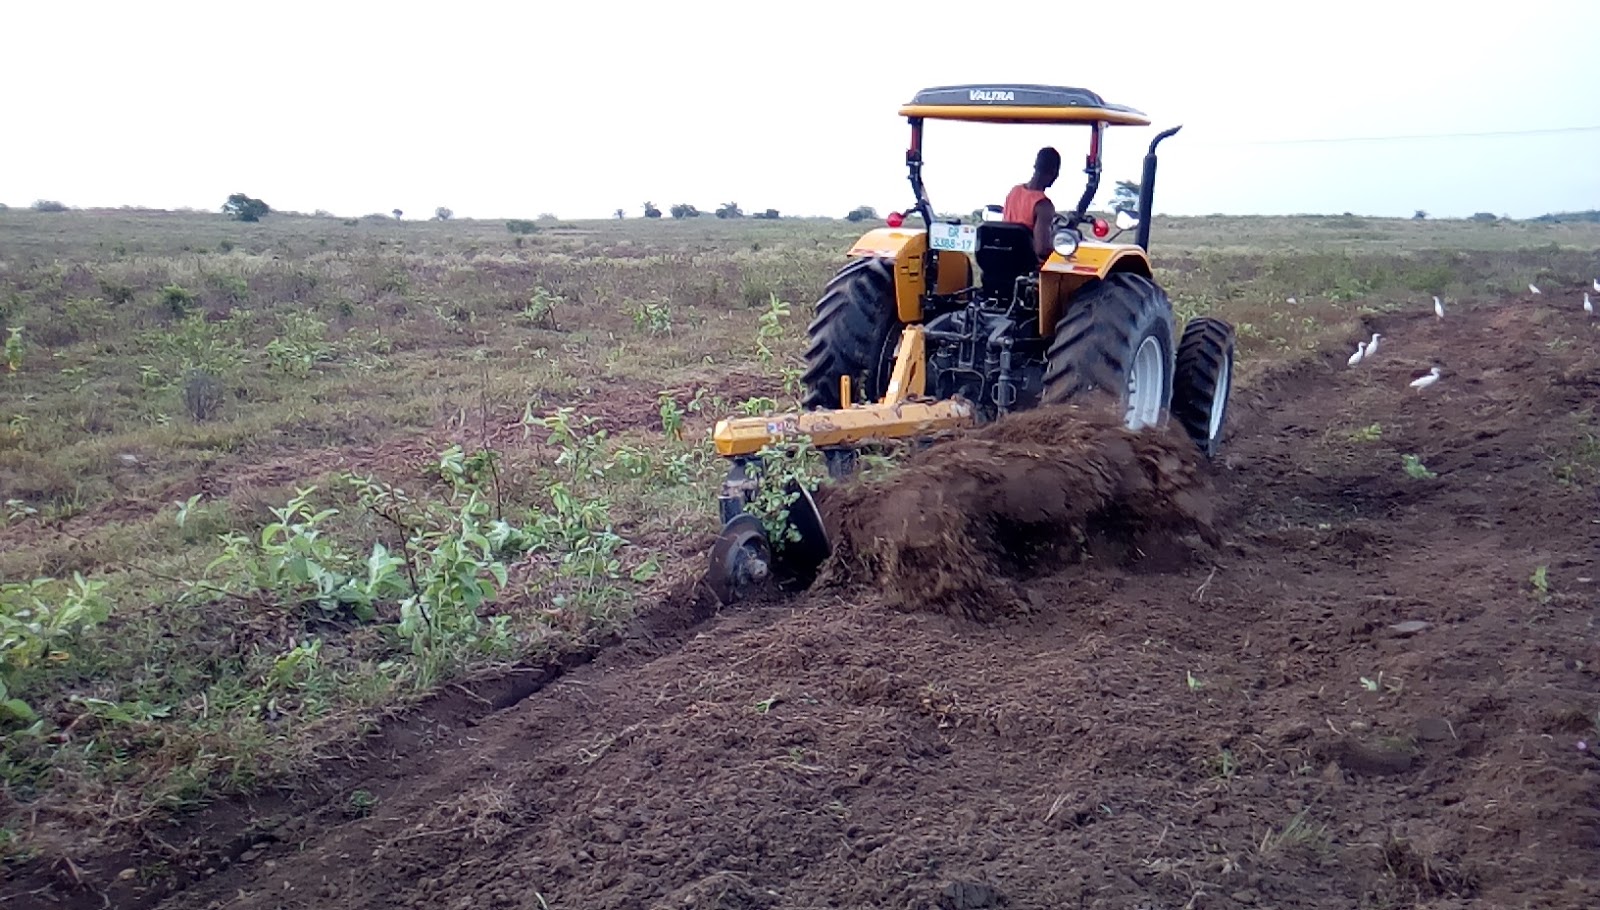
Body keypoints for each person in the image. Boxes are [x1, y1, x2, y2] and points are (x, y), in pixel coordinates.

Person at [1001, 146, 1061, 261]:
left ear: (1035, 166)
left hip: (1006, 261)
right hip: (1028, 267)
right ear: (1054, 172)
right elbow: (1041, 250)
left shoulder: (1014, 191)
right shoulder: (1043, 205)